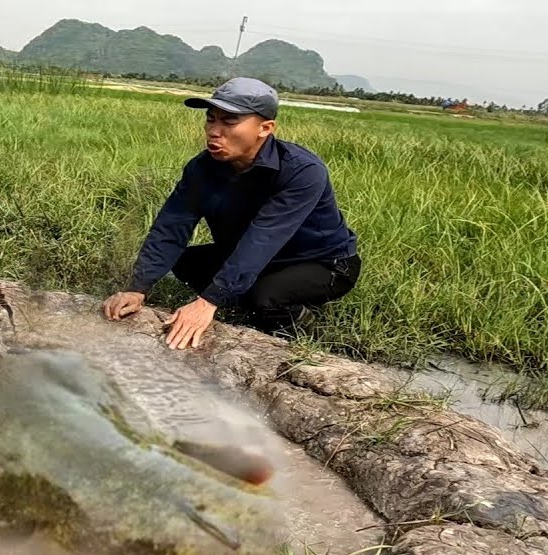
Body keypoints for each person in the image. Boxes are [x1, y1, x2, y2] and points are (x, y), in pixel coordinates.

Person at [102, 77, 361, 350]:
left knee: (267, 298)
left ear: (265, 128)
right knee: (184, 261)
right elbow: (172, 226)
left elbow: (262, 240)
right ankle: (243, 298)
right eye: (211, 119)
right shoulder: (201, 169)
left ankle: (304, 326)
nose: (214, 131)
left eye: (229, 122)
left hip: (322, 263)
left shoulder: (301, 171)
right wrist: (137, 287)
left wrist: (208, 302)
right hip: (259, 258)